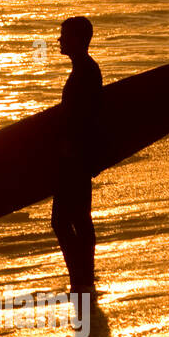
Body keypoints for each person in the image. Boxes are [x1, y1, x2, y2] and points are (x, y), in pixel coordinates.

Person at [53, 16, 103, 306]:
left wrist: (74, 150)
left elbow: (89, 116)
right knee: (74, 218)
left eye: (64, 35)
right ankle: (83, 279)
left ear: (78, 39)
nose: (59, 40)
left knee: (66, 220)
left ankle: (82, 280)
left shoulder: (86, 71)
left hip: (76, 157)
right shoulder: (84, 69)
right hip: (76, 156)